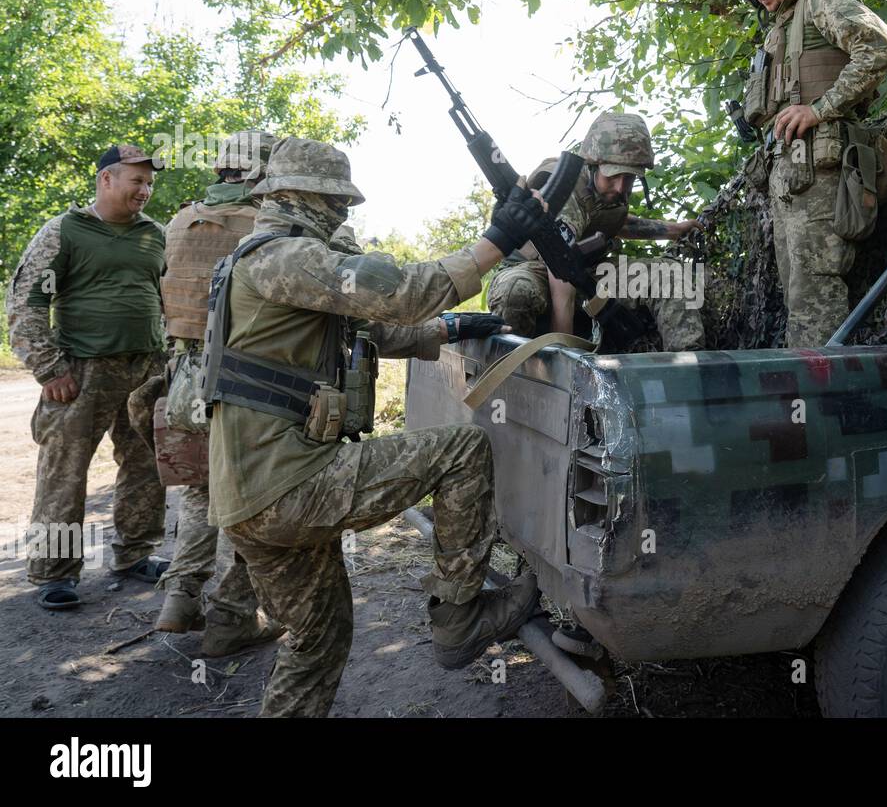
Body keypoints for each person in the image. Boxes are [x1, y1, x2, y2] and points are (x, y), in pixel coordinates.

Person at [205, 136, 549, 717]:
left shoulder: (252, 264)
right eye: (336, 205)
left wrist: (454, 329)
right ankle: (459, 617)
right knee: (463, 449)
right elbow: (403, 294)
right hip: (292, 485)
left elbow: (375, 335)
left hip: (247, 501)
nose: (342, 217)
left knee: (319, 641)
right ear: (303, 198)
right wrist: (498, 242)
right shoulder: (284, 257)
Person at [722, 0, 887, 346]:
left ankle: (819, 403)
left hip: (823, 176)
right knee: (798, 300)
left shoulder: (820, 0)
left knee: (815, 300)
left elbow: (881, 48)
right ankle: (804, 397)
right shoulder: (777, 31)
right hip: (790, 182)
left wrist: (821, 108)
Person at [5, 144, 170, 609]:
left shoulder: (154, 235)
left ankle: (135, 554)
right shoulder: (65, 231)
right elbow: (27, 302)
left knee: (144, 466)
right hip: (80, 370)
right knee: (65, 473)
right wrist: (48, 367)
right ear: (106, 180)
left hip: (146, 368)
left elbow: (166, 297)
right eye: (136, 181)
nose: (145, 190)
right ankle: (54, 573)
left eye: (149, 183)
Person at [148, 130, 285, 655]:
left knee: (203, 489)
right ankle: (231, 617)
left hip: (185, 378)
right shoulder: (270, 227)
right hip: (250, 381)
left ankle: (180, 596)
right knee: (261, 492)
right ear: (263, 173)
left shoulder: (181, 221)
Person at [487, 111, 705, 350]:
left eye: (630, 177)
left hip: (588, 271)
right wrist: (565, 352)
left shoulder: (607, 191)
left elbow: (614, 222)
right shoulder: (567, 187)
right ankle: (517, 380)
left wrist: (672, 230)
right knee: (515, 293)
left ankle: (691, 370)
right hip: (534, 270)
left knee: (669, 275)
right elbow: (560, 267)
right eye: (613, 175)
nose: (621, 186)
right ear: (593, 164)